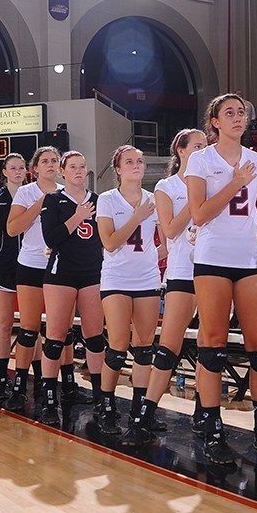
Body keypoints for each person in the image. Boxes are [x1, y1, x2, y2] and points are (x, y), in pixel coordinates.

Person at [186, 93, 257, 465]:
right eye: (230, 113)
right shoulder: (200, 160)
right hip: (213, 257)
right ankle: (211, 423)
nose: (238, 117)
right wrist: (235, 182)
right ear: (216, 122)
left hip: (251, 257)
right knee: (213, 345)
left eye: (242, 112)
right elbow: (200, 213)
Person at [122, 128, 207, 446]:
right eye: (197, 145)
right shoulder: (166, 186)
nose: (203, 149)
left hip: (214, 270)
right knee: (169, 346)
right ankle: (144, 416)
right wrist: (198, 199)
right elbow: (170, 230)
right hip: (183, 272)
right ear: (181, 151)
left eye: (205, 145)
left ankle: (204, 413)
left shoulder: (215, 180)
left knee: (209, 348)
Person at [95, 145, 162, 435]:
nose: (137, 165)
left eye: (140, 161)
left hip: (147, 279)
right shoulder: (108, 200)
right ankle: (106, 404)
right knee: (118, 348)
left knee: (145, 349)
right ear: (118, 170)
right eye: (130, 161)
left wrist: (153, 255)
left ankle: (139, 409)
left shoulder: (155, 200)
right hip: (116, 279)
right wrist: (136, 216)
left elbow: (165, 243)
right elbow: (109, 243)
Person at [38, 151, 106, 427]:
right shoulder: (53, 200)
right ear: (63, 172)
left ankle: (102, 397)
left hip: (92, 272)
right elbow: (51, 237)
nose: (78, 171)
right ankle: (49, 400)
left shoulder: (99, 200)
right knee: (55, 338)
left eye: (82, 166)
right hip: (61, 274)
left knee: (95, 337)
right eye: (72, 167)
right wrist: (77, 217)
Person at [5, 146, 72, 412]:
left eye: (54, 160)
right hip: (31, 264)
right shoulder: (26, 191)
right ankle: (20, 385)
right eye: (44, 161)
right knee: (29, 329)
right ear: (35, 168)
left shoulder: (67, 193)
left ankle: (65, 383)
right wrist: (42, 204)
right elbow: (12, 229)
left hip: (60, 265)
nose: (50, 164)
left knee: (61, 330)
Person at [0, 154, 27, 401]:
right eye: (13, 168)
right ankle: (0, 375)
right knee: (4, 324)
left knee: (33, 326)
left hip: (31, 265)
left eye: (22, 168)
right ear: (5, 172)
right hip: (3, 263)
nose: (18, 171)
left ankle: (38, 374)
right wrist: (17, 215)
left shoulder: (33, 194)